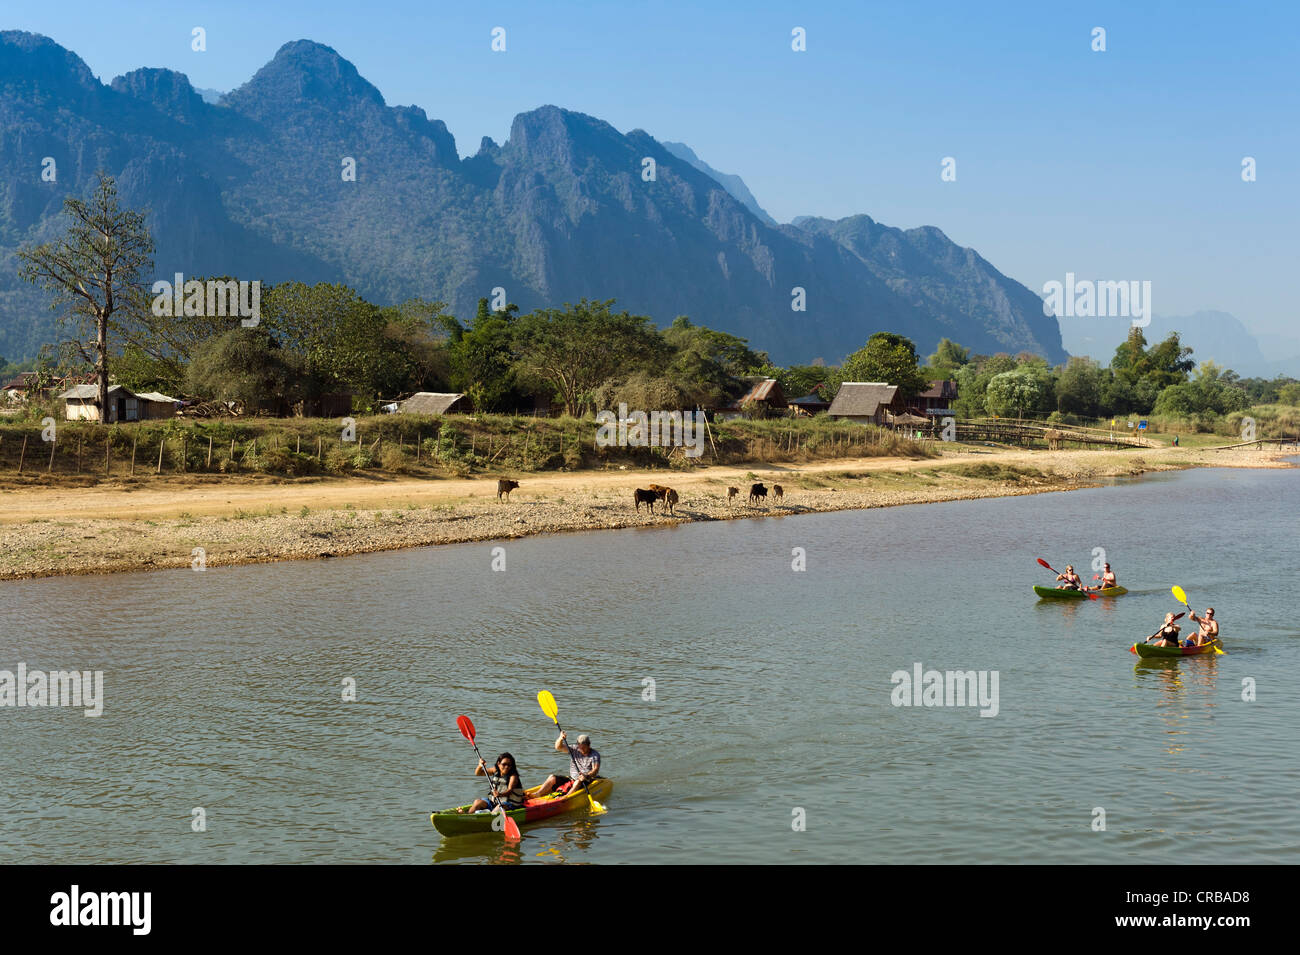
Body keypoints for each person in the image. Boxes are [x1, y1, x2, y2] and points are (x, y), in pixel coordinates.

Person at [534, 732, 602, 798]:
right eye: (580, 747)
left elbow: (595, 770)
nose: (582, 750)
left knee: (578, 781)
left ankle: (566, 797)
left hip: (585, 780)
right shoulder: (574, 749)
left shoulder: (595, 755)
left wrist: (586, 775)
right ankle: (538, 794)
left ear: (589, 745)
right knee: (552, 777)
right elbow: (558, 747)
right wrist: (560, 738)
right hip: (571, 778)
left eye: (584, 748)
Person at [458, 752, 527, 813]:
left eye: (509, 765)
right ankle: (467, 815)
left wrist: (499, 794)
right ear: (498, 763)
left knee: (499, 808)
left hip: (510, 805)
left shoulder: (513, 776)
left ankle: (487, 816)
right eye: (504, 764)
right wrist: (480, 766)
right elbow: (478, 773)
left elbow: (510, 790)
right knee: (477, 802)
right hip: (494, 803)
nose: (506, 767)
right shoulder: (495, 770)